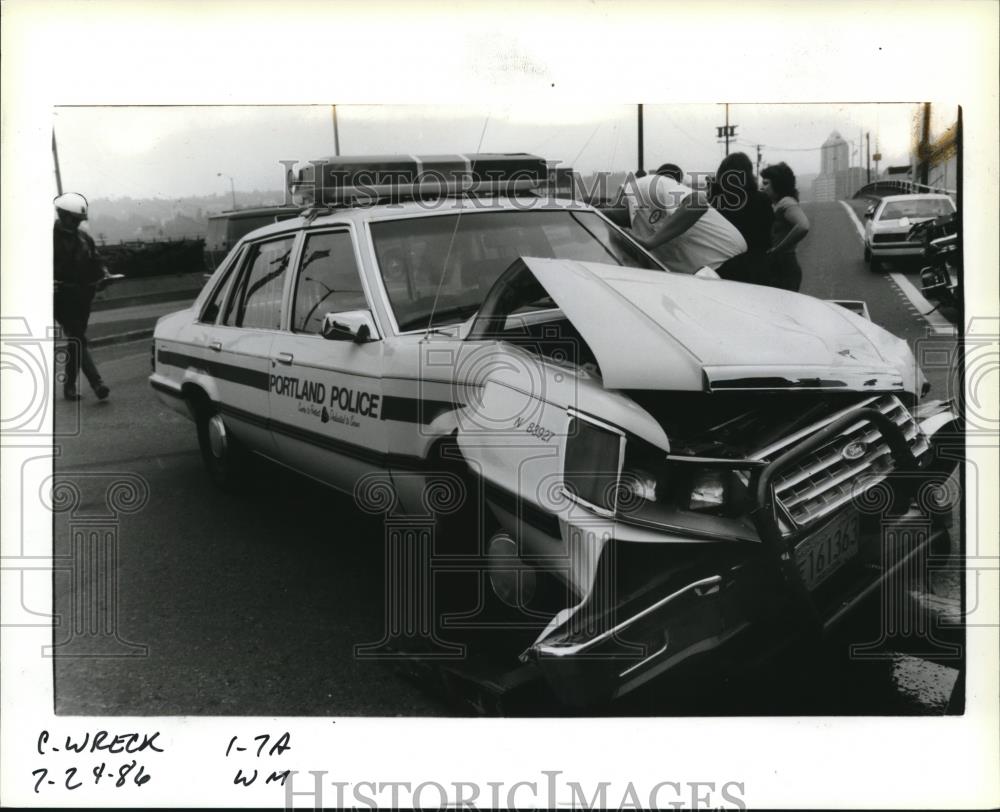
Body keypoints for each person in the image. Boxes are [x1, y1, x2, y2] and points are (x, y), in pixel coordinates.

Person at [630, 163, 747, 275]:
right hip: (710, 269)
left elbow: (697, 204)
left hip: (726, 263)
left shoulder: (657, 191)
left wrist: (651, 242)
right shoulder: (648, 209)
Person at [53, 192, 110, 401]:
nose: (77, 223)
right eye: (75, 219)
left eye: (79, 220)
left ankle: (68, 386)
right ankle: (97, 383)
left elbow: (96, 261)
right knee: (77, 336)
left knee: (76, 340)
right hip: (59, 297)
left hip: (82, 296)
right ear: (63, 215)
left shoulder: (84, 238)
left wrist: (105, 274)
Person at [708, 152, 773, 284]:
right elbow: (768, 234)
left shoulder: (719, 201)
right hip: (759, 265)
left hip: (726, 265)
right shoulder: (762, 199)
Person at [760, 162, 810, 291]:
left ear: (777, 184)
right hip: (779, 265)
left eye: (766, 183)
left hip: (785, 265)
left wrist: (778, 248)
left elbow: (803, 226)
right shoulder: (776, 203)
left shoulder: (786, 202)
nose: (761, 187)